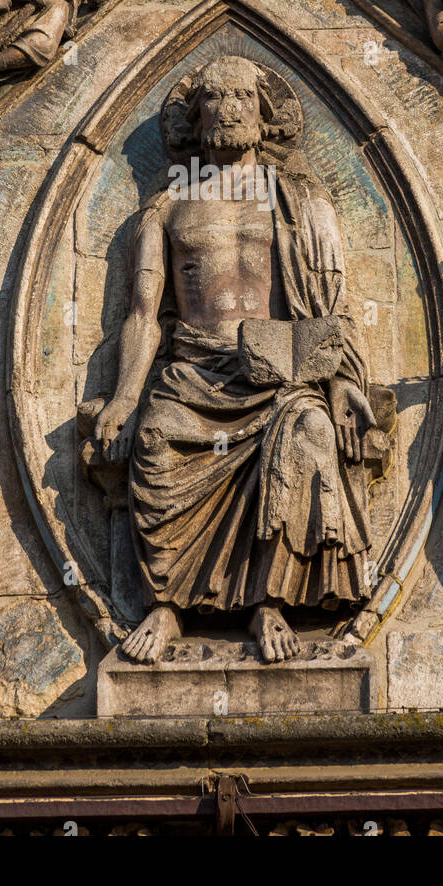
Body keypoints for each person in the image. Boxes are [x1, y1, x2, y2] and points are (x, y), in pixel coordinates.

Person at [94, 56, 387, 664]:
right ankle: (167, 605)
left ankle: (269, 602)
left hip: (277, 376)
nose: (229, 108)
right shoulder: (167, 209)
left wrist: (338, 386)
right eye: (215, 97)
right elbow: (144, 313)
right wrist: (123, 395)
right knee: (153, 437)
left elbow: (326, 310)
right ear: (194, 118)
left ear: (263, 114)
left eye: (242, 97)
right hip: (195, 369)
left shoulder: (299, 203)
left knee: (307, 433)